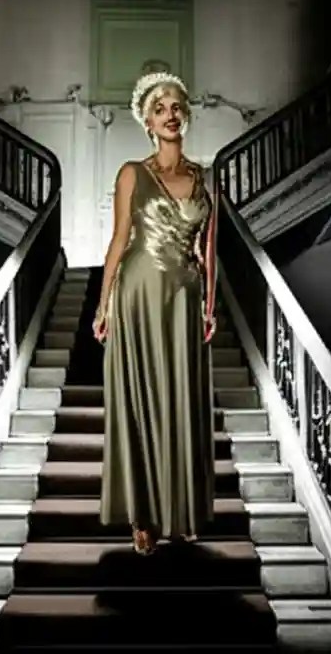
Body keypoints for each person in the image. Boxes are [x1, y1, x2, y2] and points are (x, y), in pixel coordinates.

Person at [92, 71, 219, 555]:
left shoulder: (204, 179)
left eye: (176, 106)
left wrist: (209, 305)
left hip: (185, 298)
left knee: (181, 401)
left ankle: (180, 511)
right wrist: (103, 304)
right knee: (142, 402)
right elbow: (119, 240)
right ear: (147, 120)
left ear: (185, 115)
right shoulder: (132, 173)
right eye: (160, 108)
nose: (170, 114)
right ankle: (142, 516)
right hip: (140, 293)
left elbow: (209, 250)